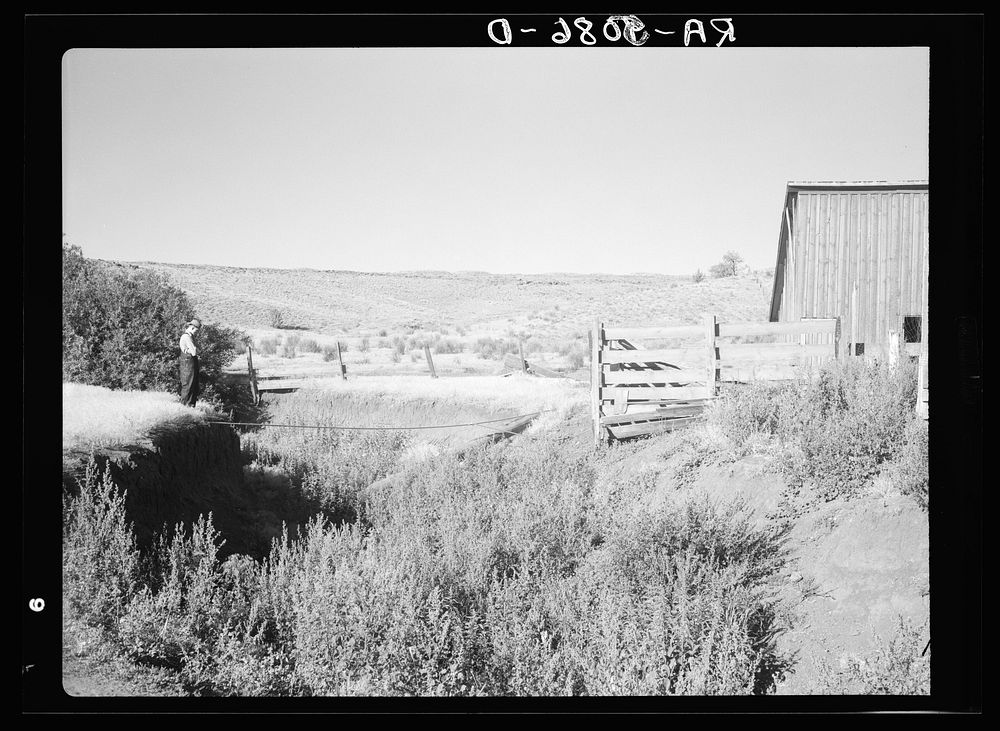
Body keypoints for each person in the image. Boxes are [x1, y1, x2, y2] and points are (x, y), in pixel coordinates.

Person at [179, 318, 201, 407]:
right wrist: (195, 350)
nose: (197, 333)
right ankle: (184, 407)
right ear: (192, 328)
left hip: (191, 363)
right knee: (188, 385)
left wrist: (195, 350)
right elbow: (194, 352)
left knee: (194, 385)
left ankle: (191, 406)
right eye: (196, 330)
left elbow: (196, 350)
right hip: (187, 364)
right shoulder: (186, 337)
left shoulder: (191, 336)